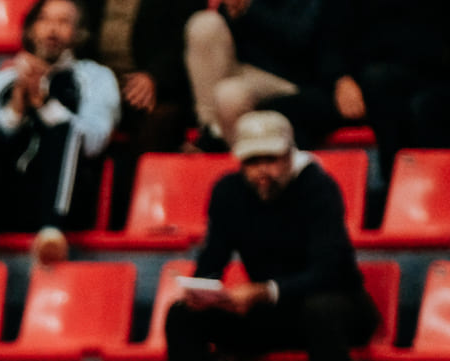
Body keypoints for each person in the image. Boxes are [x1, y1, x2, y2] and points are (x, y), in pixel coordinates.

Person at [164, 111, 379, 361]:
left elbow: (329, 271)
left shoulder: (318, 187)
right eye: (252, 162)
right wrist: (204, 293)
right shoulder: (229, 191)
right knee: (182, 315)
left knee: (321, 310)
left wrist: (265, 291)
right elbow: (214, 255)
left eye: (271, 159)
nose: (262, 170)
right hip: (273, 312)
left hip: (337, 304)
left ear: (289, 155)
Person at [0, 0, 120, 265]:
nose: (52, 30)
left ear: (79, 33)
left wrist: (46, 106)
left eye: (64, 22)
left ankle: (52, 231)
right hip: (10, 195)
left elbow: (95, 141)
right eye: (45, 20)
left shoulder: (96, 77)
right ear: (30, 29)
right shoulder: (1, 80)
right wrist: (16, 108)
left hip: (69, 202)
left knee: (65, 128)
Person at [263, 0, 450, 174]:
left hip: (416, 83)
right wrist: (340, 80)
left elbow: (432, 47)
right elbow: (329, 41)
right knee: (283, 112)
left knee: (387, 87)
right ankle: (312, 192)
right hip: (355, 87)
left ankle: (395, 188)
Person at [81, 0, 202, 223]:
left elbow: (184, 43)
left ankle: (128, 218)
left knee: (157, 120)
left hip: (153, 90)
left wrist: (154, 77)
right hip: (96, 86)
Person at [182, 0, 324, 150]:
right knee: (204, 25)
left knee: (230, 95)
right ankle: (212, 129)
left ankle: (244, 160)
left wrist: (250, 9)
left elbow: (300, 42)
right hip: (245, 71)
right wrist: (233, 10)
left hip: (289, 78)